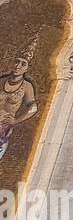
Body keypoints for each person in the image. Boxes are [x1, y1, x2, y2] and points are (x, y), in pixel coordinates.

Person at [0, 36, 39, 164]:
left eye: (23, 63)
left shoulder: (27, 87)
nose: (18, 66)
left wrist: (16, 120)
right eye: (17, 61)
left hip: (3, 129)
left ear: (27, 68)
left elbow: (33, 108)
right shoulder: (1, 81)